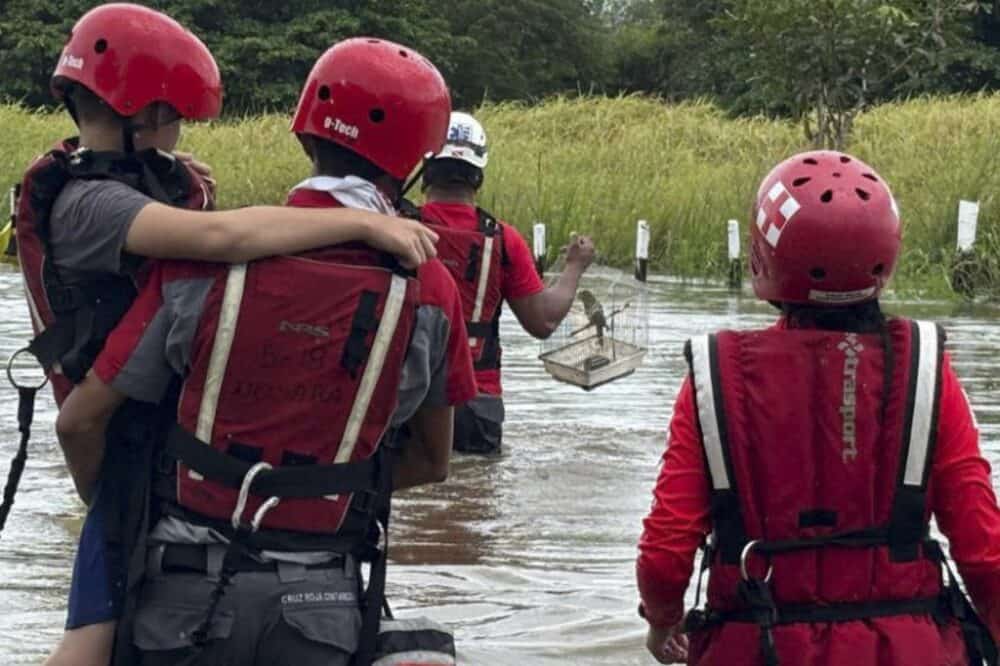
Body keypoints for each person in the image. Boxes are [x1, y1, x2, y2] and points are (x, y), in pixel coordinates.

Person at [19, 5, 439, 666]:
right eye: (176, 117)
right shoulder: (94, 205)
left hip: (140, 433)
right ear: (146, 111)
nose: (180, 134)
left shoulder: (110, 185)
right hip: (127, 444)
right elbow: (224, 240)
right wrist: (364, 227)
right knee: (88, 643)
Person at [637, 150, 1000, 665]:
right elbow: (985, 556)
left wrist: (662, 623)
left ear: (766, 254)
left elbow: (664, 556)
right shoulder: (926, 371)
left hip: (757, 644)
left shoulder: (714, 376)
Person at [413, 111, 596, 454]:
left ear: (425, 170)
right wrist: (574, 267)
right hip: (477, 401)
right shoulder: (503, 240)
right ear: (478, 176)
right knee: (475, 500)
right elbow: (543, 321)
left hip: (406, 394)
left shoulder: (393, 225)